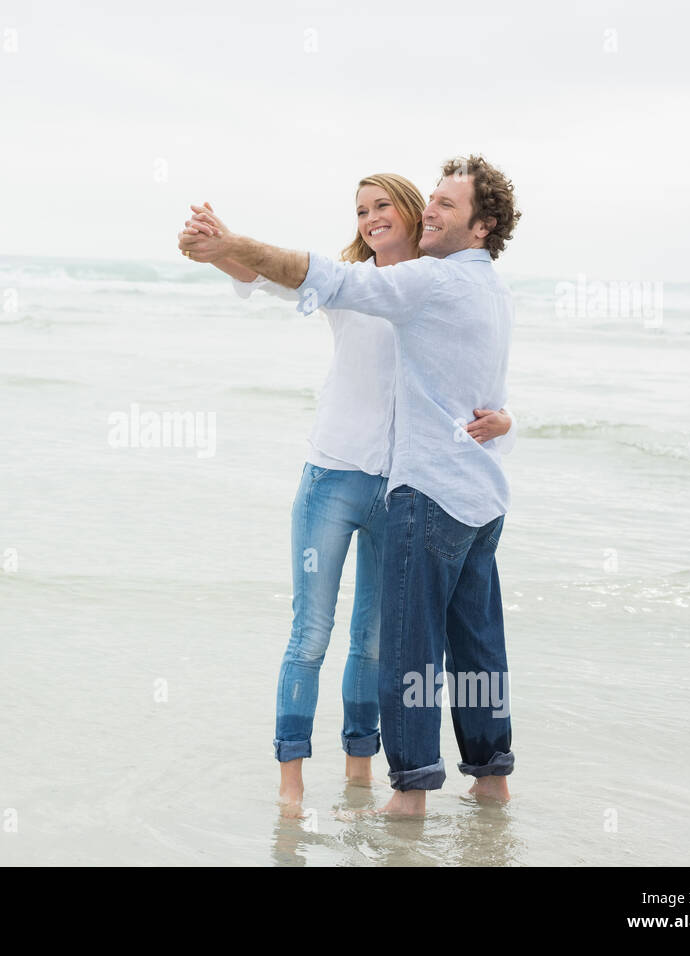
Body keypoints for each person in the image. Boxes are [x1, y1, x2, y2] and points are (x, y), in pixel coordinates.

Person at [179, 155, 522, 816]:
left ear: (476, 227)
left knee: (400, 646)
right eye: (360, 211)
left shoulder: (426, 282)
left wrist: (506, 419)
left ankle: (409, 789)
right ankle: (487, 776)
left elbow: (315, 275)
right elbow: (287, 279)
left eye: (437, 205)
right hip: (421, 487)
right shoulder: (484, 287)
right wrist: (225, 250)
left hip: (421, 490)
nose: (376, 220)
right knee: (464, 646)